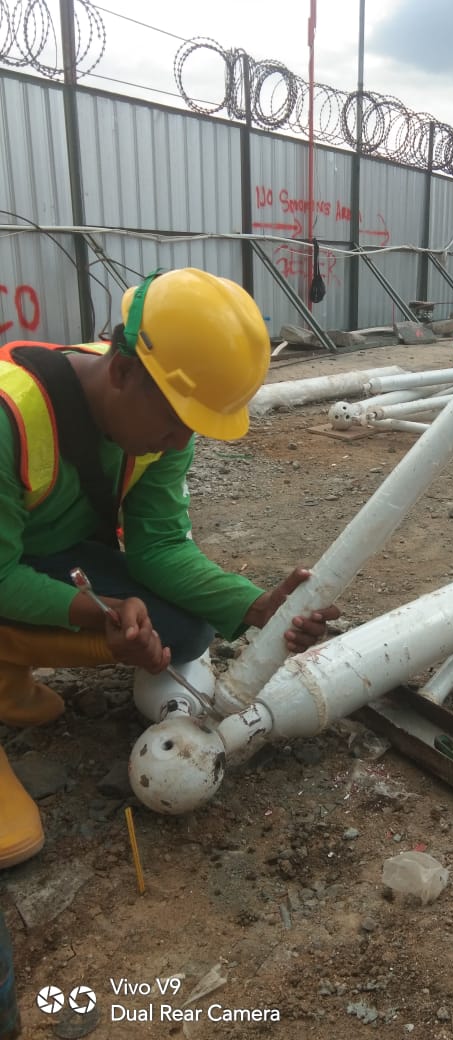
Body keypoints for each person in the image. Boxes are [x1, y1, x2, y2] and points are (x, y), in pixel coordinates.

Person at [0, 267, 340, 870]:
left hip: (33, 552)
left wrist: (251, 606)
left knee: (186, 629)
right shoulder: (8, 414)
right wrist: (92, 610)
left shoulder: (153, 421)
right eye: (179, 420)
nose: (182, 441)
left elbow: (157, 546)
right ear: (123, 371)